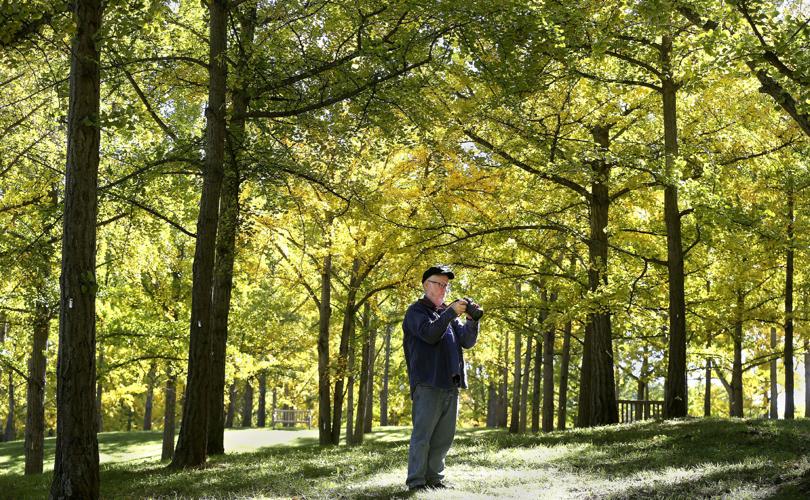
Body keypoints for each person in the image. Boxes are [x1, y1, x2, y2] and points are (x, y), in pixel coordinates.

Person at [402, 264, 481, 491]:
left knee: (443, 438)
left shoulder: (447, 314)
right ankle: (416, 482)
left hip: (450, 384)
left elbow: (466, 341)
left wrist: (472, 320)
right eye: (439, 284)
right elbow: (430, 334)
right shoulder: (416, 312)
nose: (444, 289)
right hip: (428, 382)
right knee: (423, 436)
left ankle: (434, 479)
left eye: (446, 285)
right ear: (426, 285)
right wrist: (450, 312)